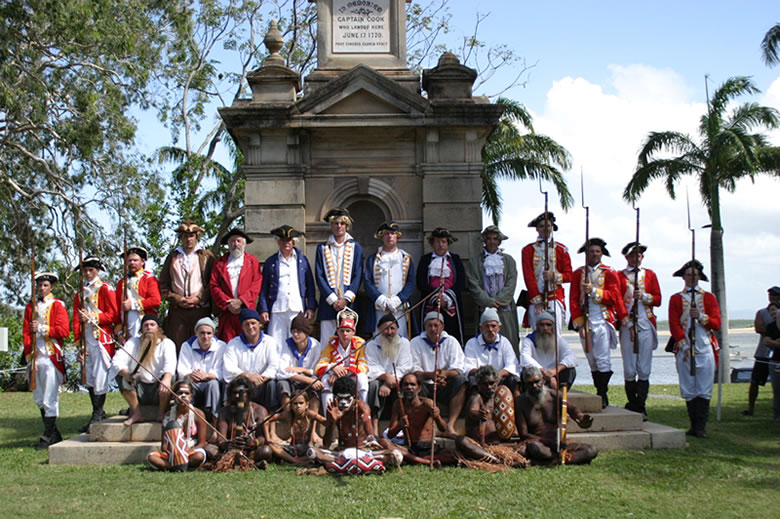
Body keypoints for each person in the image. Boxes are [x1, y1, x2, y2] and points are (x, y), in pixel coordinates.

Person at [570, 238, 628, 408]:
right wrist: (579, 322)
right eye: (591, 251)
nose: (594, 254)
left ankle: (603, 393)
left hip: (602, 319)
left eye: (597, 251)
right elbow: (574, 299)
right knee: (591, 358)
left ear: (602, 253)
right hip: (586, 321)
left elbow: (615, 297)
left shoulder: (609, 272)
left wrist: (594, 291)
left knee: (603, 358)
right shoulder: (578, 273)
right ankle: (599, 388)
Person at [669, 260, 721, 439]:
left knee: (704, 388)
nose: (692, 278)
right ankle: (694, 425)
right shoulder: (676, 299)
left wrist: (701, 316)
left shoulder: (709, 298)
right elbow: (674, 324)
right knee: (689, 387)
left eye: (695, 275)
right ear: (683, 277)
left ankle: (701, 427)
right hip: (685, 348)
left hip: (704, 346)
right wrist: (683, 345)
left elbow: (717, 323)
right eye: (689, 275)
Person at [309, 376, 402, 472]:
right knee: (313, 452)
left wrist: (372, 440)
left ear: (354, 397)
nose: (343, 402)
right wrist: (333, 422)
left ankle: (343, 464)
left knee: (395, 455)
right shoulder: (333, 409)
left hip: (363, 452)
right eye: (340, 398)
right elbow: (326, 444)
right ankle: (362, 464)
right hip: (342, 451)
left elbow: (369, 429)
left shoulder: (361, 407)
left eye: (347, 398)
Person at [23, 272, 70, 450]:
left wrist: (42, 328)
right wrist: (29, 353)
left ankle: (48, 436)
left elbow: (63, 330)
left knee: (50, 397)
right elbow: (26, 332)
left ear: (51, 287)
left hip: (51, 356)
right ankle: (54, 433)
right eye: (40, 285)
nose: (42, 289)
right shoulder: (31, 306)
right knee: (39, 398)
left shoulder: (57, 305)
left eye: (45, 286)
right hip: (36, 356)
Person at [515, 366, 597, 465]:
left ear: (543, 380)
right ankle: (564, 459)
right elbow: (524, 435)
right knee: (534, 448)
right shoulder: (520, 402)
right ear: (525, 385)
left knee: (591, 450)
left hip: (560, 444)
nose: (534, 386)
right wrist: (546, 441)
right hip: (540, 444)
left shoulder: (556, 396)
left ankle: (550, 461)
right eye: (529, 383)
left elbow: (574, 411)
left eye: (537, 381)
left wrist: (582, 418)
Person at [73, 256, 118, 433]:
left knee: (100, 376)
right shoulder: (80, 294)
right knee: (90, 378)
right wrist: (79, 343)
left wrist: (93, 318)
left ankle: (98, 414)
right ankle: (97, 412)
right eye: (85, 271)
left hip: (101, 338)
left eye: (91, 270)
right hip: (87, 339)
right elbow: (76, 320)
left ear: (97, 270)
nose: (88, 274)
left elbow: (113, 314)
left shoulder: (105, 288)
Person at [618, 242, 662, 420]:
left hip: (645, 322)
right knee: (629, 368)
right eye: (632, 255)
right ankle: (632, 403)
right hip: (628, 324)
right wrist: (627, 323)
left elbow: (658, 299)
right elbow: (618, 301)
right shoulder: (620, 276)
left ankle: (641, 405)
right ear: (627, 257)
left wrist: (643, 296)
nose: (636, 258)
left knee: (644, 367)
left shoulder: (650, 274)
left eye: (639, 255)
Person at [159, 220, 215, 350]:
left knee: (202, 343)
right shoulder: (173, 257)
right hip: (178, 311)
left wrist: (199, 298)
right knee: (178, 344)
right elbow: (163, 283)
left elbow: (213, 282)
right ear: (181, 238)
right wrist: (177, 299)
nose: (188, 239)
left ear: (196, 237)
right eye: (185, 236)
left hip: (200, 309)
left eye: (191, 236)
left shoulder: (206, 256)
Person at [111, 314, 176, 426]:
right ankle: (137, 413)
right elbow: (116, 361)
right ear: (141, 330)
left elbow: (170, 365)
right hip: (139, 389)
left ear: (158, 329)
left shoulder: (167, 343)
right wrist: (126, 374)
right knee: (120, 376)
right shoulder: (133, 342)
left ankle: (161, 412)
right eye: (146, 325)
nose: (149, 328)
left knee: (171, 378)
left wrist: (166, 379)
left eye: (152, 325)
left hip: (159, 389)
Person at [382, 372, 458, 466]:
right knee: (383, 442)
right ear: (401, 388)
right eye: (406, 384)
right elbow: (390, 434)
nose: (409, 387)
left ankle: (416, 459)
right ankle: (426, 461)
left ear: (419, 388)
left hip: (428, 447)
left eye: (413, 384)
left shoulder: (427, 404)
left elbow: (443, 428)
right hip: (409, 447)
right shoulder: (398, 405)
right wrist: (400, 425)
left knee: (455, 452)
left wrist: (437, 417)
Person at [258, 224, 316, 346]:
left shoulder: (302, 260)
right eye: (283, 240)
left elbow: (310, 285)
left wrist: (310, 306)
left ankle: (294, 365)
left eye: (289, 240)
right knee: (275, 343)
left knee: (297, 342)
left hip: (297, 308)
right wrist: (263, 309)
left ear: (294, 242)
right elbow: (263, 288)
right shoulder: (271, 261)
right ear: (279, 242)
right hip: (277, 308)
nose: (286, 243)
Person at [410, 311, 467, 434]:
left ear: (442, 326)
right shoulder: (415, 342)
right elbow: (413, 369)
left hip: (444, 383)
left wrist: (445, 374)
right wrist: (430, 375)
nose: (433, 329)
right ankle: (423, 427)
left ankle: (451, 425)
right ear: (425, 327)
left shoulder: (451, 341)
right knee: (413, 382)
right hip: (425, 384)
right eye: (429, 325)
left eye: (436, 325)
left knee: (461, 380)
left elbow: (459, 368)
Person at [467, 225, 520, 353]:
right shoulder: (474, 262)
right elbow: (473, 284)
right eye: (489, 238)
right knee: (485, 340)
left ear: (499, 241)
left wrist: (499, 301)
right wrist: (488, 302)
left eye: (495, 238)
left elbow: (511, 283)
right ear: (484, 240)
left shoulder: (509, 261)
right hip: (484, 308)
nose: (492, 241)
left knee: (509, 341)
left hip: (505, 309)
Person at [315, 208, 363, 344]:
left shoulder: (356, 247)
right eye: (336, 223)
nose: (339, 226)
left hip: (349, 304)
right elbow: (319, 275)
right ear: (331, 225)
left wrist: (346, 300)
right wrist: (332, 299)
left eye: (342, 223)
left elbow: (358, 274)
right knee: (327, 341)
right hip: (328, 303)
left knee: (349, 342)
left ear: (347, 225)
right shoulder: (323, 248)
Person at [521, 212, 572, 335]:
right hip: (536, 298)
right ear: (537, 229)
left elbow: (569, 275)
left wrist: (554, 276)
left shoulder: (561, 249)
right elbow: (528, 277)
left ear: (552, 227)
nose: (545, 229)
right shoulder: (528, 250)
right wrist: (537, 301)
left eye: (548, 225)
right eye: (542, 226)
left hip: (555, 297)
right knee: (537, 334)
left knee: (556, 335)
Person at [364, 221, 416, 338]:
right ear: (381, 237)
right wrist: (381, 300)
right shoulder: (373, 259)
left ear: (397, 236)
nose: (390, 236)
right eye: (386, 234)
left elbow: (411, 283)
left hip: (399, 309)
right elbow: (368, 282)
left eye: (392, 233)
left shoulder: (406, 258)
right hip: (379, 309)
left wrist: (397, 300)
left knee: (400, 339)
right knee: (378, 340)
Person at [210, 228, 263, 343]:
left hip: (246, 310)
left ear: (244, 243)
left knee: (248, 343)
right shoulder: (220, 263)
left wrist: (241, 301)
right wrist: (228, 302)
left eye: (238, 241)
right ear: (228, 244)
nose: (236, 244)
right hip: (227, 312)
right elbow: (214, 286)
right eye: (232, 241)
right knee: (227, 344)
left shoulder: (253, 262)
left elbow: (256, 284)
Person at [222, 309, 279, 411]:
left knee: (272, 384)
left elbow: (274, 365)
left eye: (253, 323)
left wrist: (260, 379)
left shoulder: (270, 342)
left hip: (261, 383)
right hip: (241, 384)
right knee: (228, 384)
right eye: (246, 324)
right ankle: (228, 418)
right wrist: (248, 376)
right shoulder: (233, 344)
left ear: (260, 324)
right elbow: (229, 368)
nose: (250, 327)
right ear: (242, 326)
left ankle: (271, 417)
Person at [417, 227, 466, 344]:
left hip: (451, 305)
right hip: (430, 304)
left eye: (443, 241)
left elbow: (461, 281)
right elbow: (421, 282)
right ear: (432, 244)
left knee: (452, 336)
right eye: (437, 241)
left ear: (448, 243)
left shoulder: (455, 259)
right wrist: (436, 298)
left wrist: (446, 298)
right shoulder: (425, 260)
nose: (440, 245)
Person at [365, 313, 413, 432]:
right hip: (379, 379)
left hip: (398, 379)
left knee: (408, 383)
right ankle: (374, 427)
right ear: (379, 329)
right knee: (373, 386)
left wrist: (389, 382)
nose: (390, 332)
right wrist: (385, 377)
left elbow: (405, 366)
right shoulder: (371, 345)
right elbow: (371, 366)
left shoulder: (404, 343)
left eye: (393, 328)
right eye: (386, 328)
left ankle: (402, 426)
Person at [213, 376, 272, 469]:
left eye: (241, 393)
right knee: (210, 450)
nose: (237, 396)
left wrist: (253, 443)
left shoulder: (260, 411)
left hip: (250, 451)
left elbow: (263, 438)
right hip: (229, 451)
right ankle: (251, 465)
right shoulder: (224, 412)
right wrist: (227, 444)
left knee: (266, 451)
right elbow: (221, 438)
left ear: (249, 394)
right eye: (234, 393)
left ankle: (245, 463)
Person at [147, 381, 208, 471]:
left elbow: (202, 442)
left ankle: (174, 466)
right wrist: (174, 453)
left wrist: (186, 452)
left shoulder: (198, 414)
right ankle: (178, 466)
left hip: (191, 451)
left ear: (191, 397)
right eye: (180, 393)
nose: (183, 396)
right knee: (152, 457)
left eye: (187, 393)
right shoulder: (167, 416)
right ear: (174, 395)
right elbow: (164, 444)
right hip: (171, 452)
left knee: (199, 456)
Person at [315, 308, 368, 410]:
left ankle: (363, 411)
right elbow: (319, 366)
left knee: (362, 378)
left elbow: (364, 366)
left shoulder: (360, 344)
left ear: (354, 332)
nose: (345, 334)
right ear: (337, 332)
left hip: (352, 375)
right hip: (334, 379)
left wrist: (343, 371)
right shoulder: (331, 344)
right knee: (325, 380)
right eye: (342, 331)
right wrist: (332, 368)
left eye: (348, 331)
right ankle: (329, 417)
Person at [177, 317, 225, 423]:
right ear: (196, 333)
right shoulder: (187, 346)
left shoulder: (221, 346)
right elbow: (181, 369)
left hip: (210, 382)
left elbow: (222, 372)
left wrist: (207, 375)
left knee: (213, 384)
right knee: (186, 384)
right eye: (202, 333)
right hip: (193, 382)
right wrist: (190, 375)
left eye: (209, 333)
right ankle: (187, 420)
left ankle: (214, 421)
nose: (205, 337)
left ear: (213, 334)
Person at [741, 287, 780, 416]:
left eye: (775, 295)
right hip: (763, 352)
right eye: (771, 295)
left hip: (777, 354)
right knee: (755, 381)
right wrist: (773, 332)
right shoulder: (762, 312)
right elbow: (759, 328)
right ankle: (750, 408)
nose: (773, 297)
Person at [464, 308, 520, 395]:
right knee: (471, 380)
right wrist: (485, 374)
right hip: (480, 380)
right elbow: (468, 367)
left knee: (515, 380)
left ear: (499, 328)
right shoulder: (471, 343)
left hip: (499, 379)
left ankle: (517, 405)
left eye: (493, 326)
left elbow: (512, 364)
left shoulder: (504, 342)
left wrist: (499, 373)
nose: (490, 329)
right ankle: (475, 404)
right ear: (481, 328)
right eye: (487, 326)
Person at [275, 313, 324, 414]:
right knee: (282, 383)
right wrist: (307, 379)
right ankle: (288, 415)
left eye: (299, 331)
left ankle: (312, 418)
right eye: (293, 331)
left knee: (317, 383)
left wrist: (303, 370)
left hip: (308, 381)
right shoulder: (287, 345)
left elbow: (317, 370)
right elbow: (281, 372)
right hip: (294, 381)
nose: (295, 335)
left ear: (306, 333)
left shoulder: (315, 345)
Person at [519, 311, 577, 389]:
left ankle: (561, 396)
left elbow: (571, 357)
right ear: (537, 326)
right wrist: (543, 372)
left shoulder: (558, 340)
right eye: (542, 325)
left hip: (554, 376)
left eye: (548, 325)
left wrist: (555, 370)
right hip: (536, 376)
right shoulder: (529, 340)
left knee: (570, 370)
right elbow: (525, 358)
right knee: (526, 371)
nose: (545, 328)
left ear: (553, 327)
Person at [115, 246, 161, 342]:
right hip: (126, 326)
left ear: (142, 261)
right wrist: (119, 332)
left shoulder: (149, 278)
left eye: (135, 260)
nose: (132, 263)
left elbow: (156, 300)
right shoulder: (121, 283)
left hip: (143, 322)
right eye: (129, 260)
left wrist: (132, 305)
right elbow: (117, 308)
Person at [267, 391, 326, 465]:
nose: (298, 406)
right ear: (291, 405)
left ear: (307, 405)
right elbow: (266, 420)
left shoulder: (310, 414)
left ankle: (294, 460)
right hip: (292, 448)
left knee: (316, 452)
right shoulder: (287, 414)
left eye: (301, 403)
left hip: (307, 449)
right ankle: (296, 461)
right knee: (271, 446)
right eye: (295, 403)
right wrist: (268, 439)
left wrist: (332, 420)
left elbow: (325, 422)